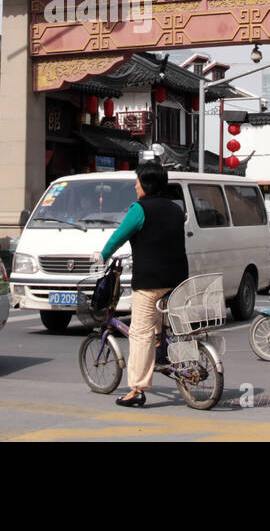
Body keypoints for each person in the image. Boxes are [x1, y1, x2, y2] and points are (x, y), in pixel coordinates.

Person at [96, 162, 189, 407]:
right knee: (161, 327)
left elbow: (119, 237)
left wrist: (102, 255)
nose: (135, 186)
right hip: (177, 279)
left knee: (139, 334)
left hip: (151, 281)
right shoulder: (176, 209)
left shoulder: (139, 209)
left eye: (138, 181)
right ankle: (161, 355)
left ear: (146, 184)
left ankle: (136, 390)